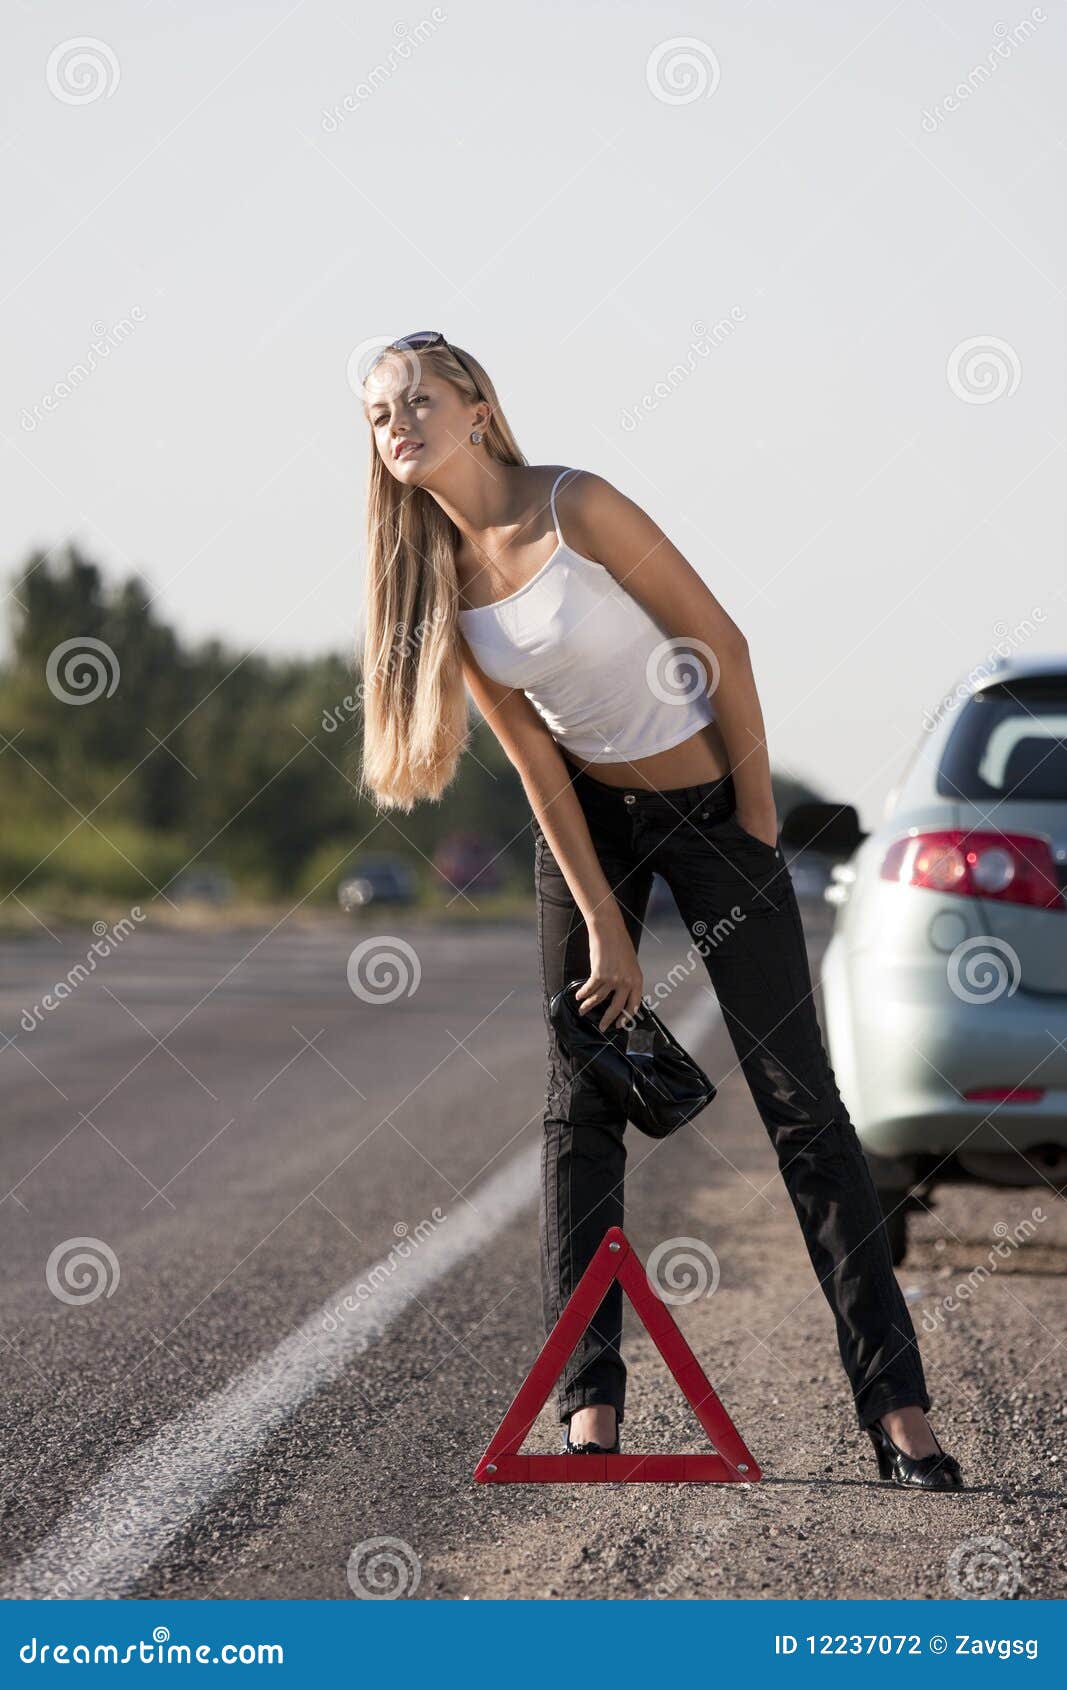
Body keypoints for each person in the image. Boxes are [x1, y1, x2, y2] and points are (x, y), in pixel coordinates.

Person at [357, 331, 963, 1490]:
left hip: (708, 804)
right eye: (381, 416)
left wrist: (753, 824)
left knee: (800, 1105)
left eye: (419, 401)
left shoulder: (574, 505)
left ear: (478, 407)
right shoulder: (437, 572)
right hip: (587, 826)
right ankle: (589, 1404)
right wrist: (604, 922)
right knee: (577, 1099)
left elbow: (718, 643)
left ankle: (896, 1408)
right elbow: (537, 763)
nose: (399, 426)